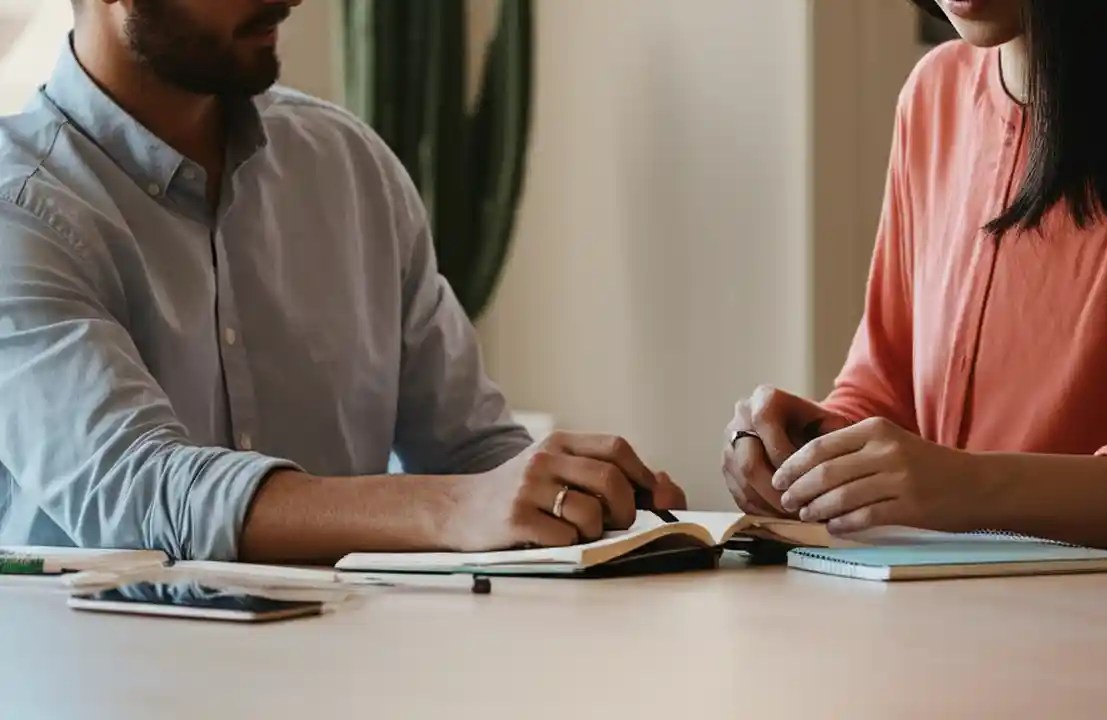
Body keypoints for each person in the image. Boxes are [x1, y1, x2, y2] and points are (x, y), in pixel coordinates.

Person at [0, 0, 684, 563]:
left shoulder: (349, 167)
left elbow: (471, 454)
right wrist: (454, 507)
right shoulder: (18, 205)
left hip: (354, 675)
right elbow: (138, 491)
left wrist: (598, 505)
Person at [723, 0, 1107, 555]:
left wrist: (976, 487)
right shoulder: (931, 95)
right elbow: (886, 387)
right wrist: (807, 449)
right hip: (945, 619)